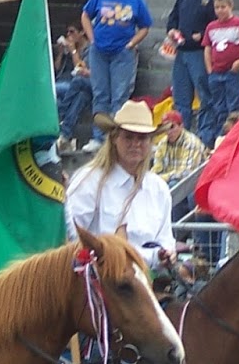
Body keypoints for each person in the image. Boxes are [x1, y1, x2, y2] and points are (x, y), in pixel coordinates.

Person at [64, 100, 177, 270]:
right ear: (115, 138)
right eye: (128, 137)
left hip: (147, 281)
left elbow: (166, 240)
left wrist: (167, 253)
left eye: (142, 138)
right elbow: (72, 235)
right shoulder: (89, 180)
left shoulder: (159, 188)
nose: (135, 144)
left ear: (150, 143)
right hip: (98, 281)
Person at [81, 0, 152, 143]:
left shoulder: (136, 0)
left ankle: (116, 138)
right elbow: (86, 15)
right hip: (99, 51)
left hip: (122, 53)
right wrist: (92, 39)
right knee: (100, 93)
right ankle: (98, 137)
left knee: (119, 94)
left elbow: (145, 26)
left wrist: (131, 43)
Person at [163, 0, 219, 133]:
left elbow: (219, 24)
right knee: (180, 97)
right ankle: (181, 133)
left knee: (205, 96)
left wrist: (203, 35)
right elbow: (173, 19)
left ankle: (205, 134)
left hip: (201, 53)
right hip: (182, 51)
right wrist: (172, 30)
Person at [200, 0, 239, 146]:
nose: (220, 10)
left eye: (223, 7)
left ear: (230, 6)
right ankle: (219, 139)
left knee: (234, 107)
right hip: (216, 73)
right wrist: (209, 69)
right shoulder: (211, 27)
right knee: (218, 107)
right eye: (217, 7)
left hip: (233, 72)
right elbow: (207, 47)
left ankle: (234, 139)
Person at [54, 22, 94, 151]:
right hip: (72, 88)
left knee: (54, 90)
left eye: (72, 32)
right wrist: (61, 53)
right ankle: (65, 135)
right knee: (79, 97)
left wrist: (73, 51)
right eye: (67, 33)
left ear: (81, 32)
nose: (69, 35)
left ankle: (62, 116)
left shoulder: (88, 49)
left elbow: (80, 69)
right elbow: (56, 69)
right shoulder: (68, 51)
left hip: (75, 84)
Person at [150, 109, 208, 187]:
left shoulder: (191, 142)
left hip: (194, 182)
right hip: (170, 179)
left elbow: (186, 173)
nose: (168, 132)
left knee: (172, 184)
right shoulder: (162, 143)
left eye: (172, 127)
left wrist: (163, 178)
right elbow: (157, 168)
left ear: (181, 126)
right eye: (165, 128)